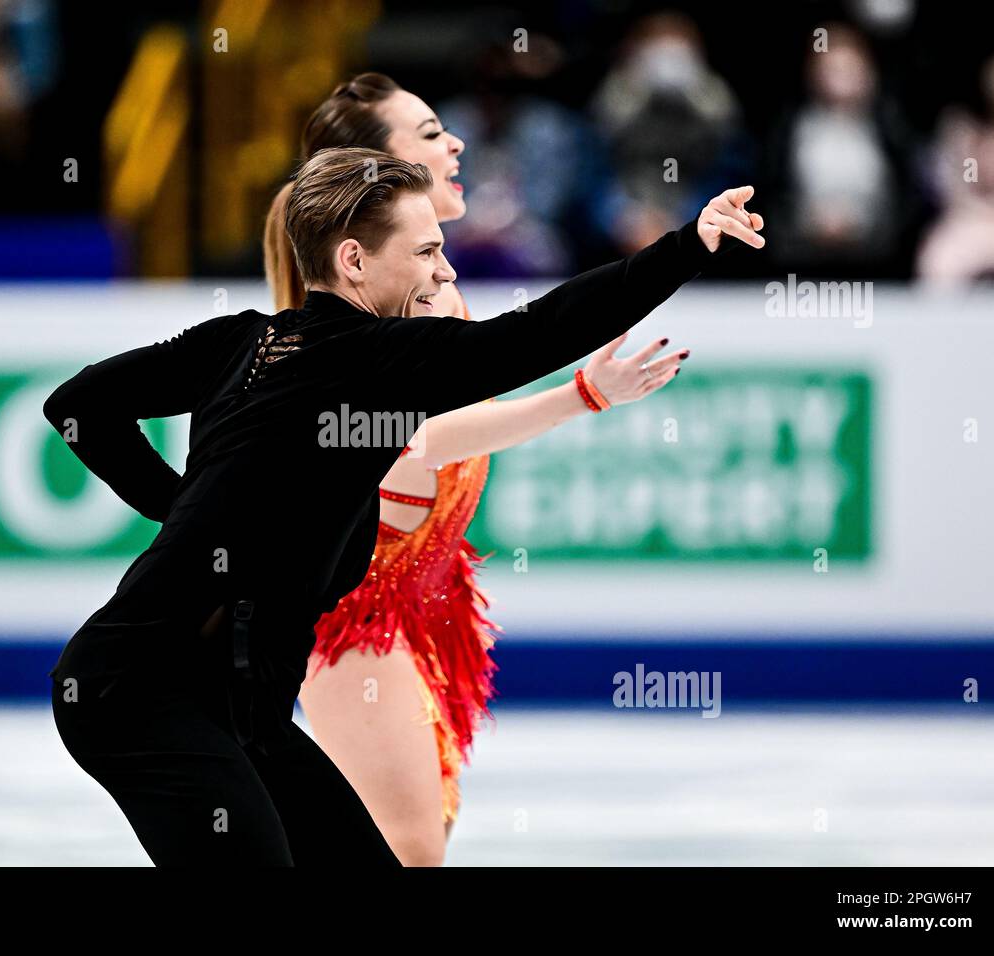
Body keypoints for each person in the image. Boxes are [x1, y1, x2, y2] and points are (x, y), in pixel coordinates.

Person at [45, 145, 763, 866]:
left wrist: (184, 519)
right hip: (141, 689)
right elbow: (542, 332)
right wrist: (687, 245)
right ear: (354, 260)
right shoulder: (378, 358)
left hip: (239, 711)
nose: (445, 271)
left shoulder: (243, 341)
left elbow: (81, 405)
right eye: (426, 251)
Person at [263, 73, 692, 864]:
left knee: (418, 841)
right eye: (428, 134)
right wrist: (583, 395)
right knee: (407, 849)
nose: (454, 142)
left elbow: (533, 334)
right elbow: (414, 435)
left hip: (430, 597)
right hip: (361, 610)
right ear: (373, 169)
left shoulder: (432, 285)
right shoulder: (366, 306)